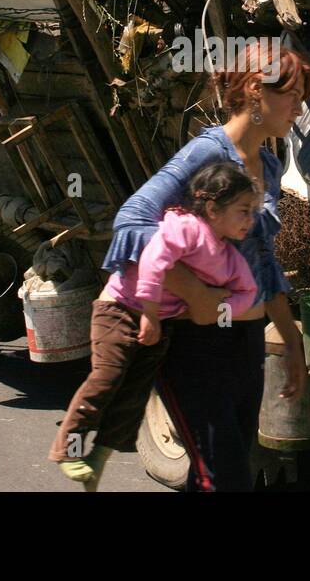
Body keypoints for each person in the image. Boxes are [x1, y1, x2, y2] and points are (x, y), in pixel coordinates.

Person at [101, 40, 310, 491]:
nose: (299, 107)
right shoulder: (207, 153)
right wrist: (195, 293)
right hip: (196, 344)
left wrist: (293, 341)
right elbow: (133, 219)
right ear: (256, 91)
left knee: (231, 470)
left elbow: (261, 261)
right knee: (223, 478)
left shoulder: (270, 166)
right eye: (292, 95)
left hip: (245, 344)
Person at [48, 161, 260, 490]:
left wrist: (218, 308)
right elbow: (152, 259)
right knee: (108, 377)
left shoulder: (229, 257)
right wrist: (149, 312)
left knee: (134, 393)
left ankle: (98, 456)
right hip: (121, 308)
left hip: (158, 322)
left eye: (252, 212)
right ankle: (66, 448)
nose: (251, 220)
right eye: (243, 211)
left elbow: (247, 292)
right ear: (213, 209)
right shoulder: (187, 227)